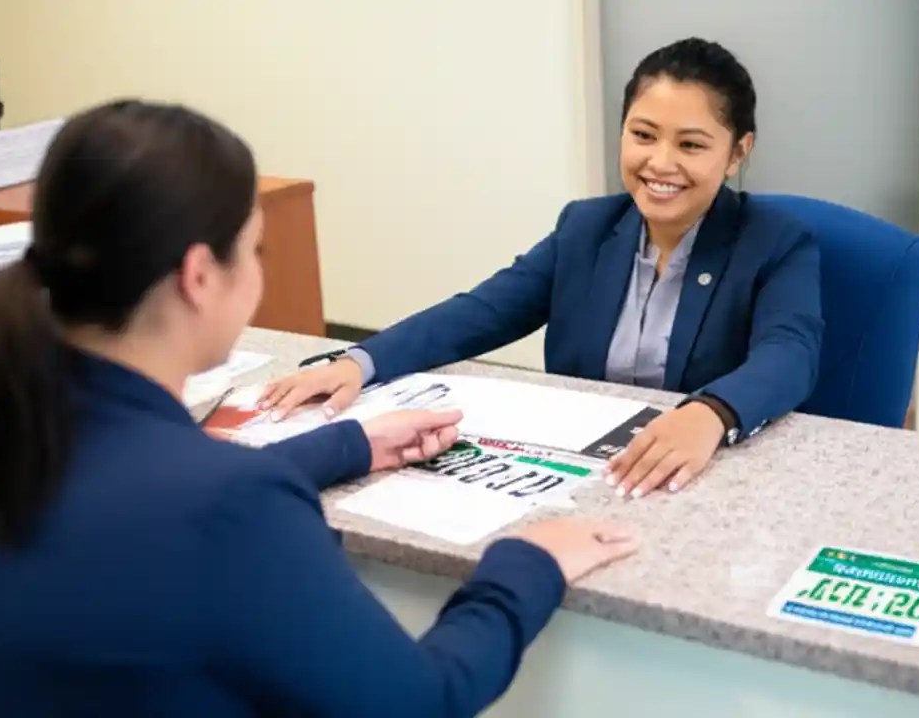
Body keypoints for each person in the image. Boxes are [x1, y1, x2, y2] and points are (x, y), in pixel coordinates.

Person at [0, 100, 637, 717]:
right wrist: (526, 562)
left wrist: (348, 444)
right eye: (253, 250)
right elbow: (422, 701)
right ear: (200, 275)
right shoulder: (226, 509)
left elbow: (140, 508)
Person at [262, 37, 823, 498]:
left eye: (692, 145)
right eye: (643, 135)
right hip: (585, 477)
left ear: (737, 152)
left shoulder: (776, 242)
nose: (660, 163)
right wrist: (360, 361)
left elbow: (790, 354)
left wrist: (712, 414)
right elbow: (479, 313)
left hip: (699, 480)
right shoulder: (586, 229)